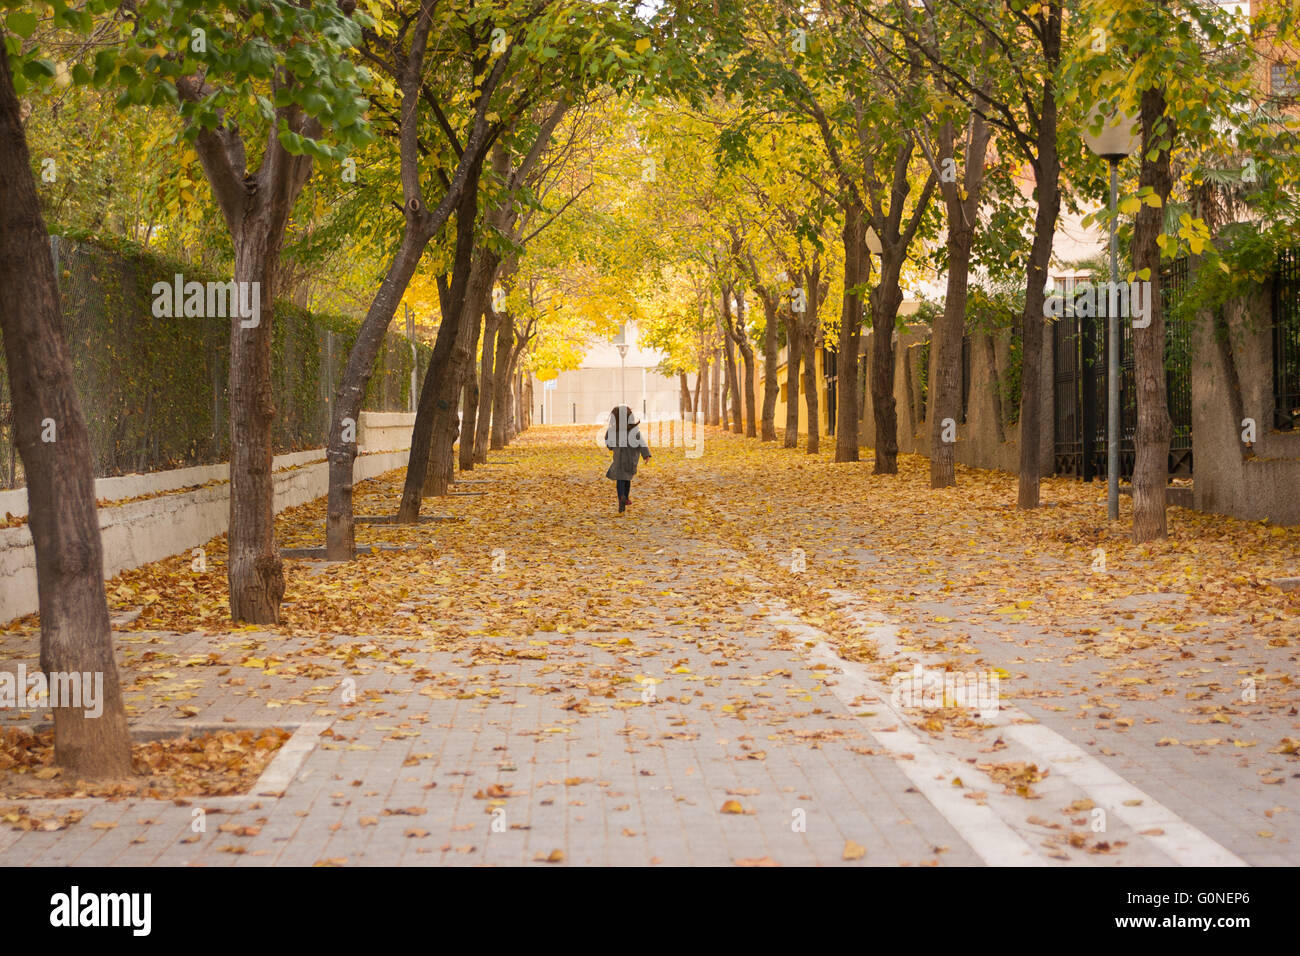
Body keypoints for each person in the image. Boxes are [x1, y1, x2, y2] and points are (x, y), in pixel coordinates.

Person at [604, 404, 651, 513]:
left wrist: (610, 446)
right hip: (630, 460)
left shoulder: (612, 430)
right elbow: (641, 442)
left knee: (620, 479)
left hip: (619, 460)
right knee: (627, 479)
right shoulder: (634, 431)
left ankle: (621, 497)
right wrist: (646, 455)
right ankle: (625, 497)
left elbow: (608, 441)